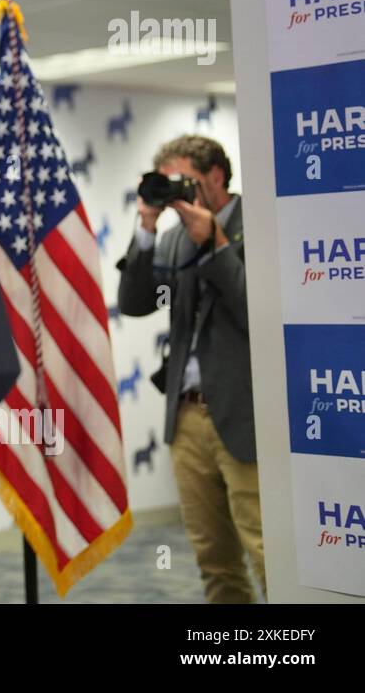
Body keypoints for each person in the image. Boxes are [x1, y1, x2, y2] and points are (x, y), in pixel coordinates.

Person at [116, 135, 264, 603]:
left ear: (216, 176)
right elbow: (134, 302)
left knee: (265, 549)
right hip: (187, 417)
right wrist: (146, 227)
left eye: (184, 181)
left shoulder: (260, 225)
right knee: (213, 557)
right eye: (168, 183)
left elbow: (256, 313)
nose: (176, 192)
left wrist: (217, 244)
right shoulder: (175, 236)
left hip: (247, 416)